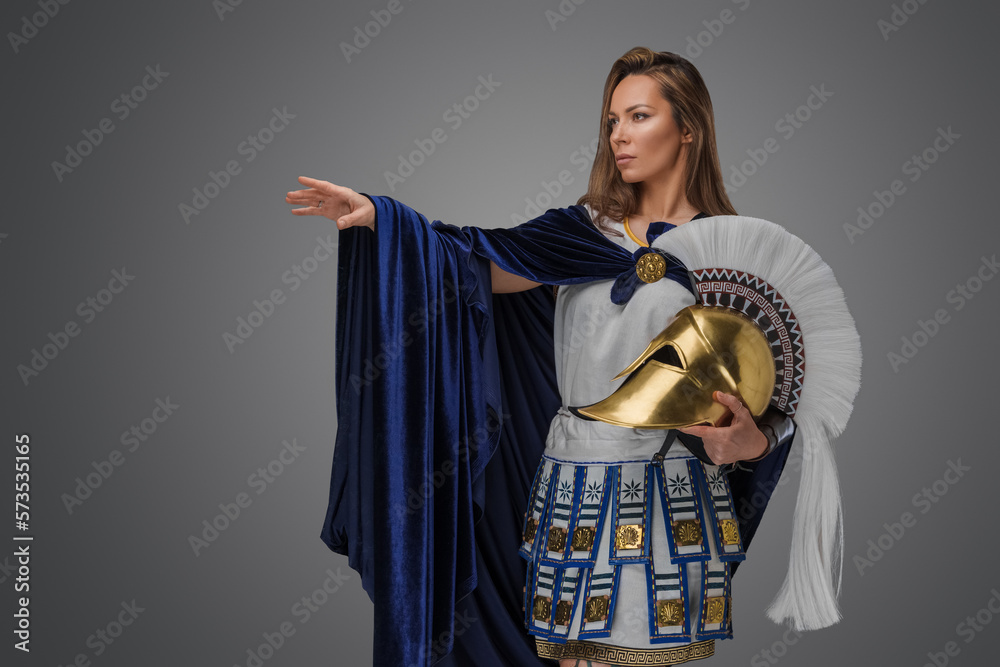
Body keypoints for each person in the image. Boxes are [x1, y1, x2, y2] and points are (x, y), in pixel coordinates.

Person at [287, 47, 854, 667]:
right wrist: (388, 225)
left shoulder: (733, 254)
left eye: (638, 116)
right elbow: (473, 261)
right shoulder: (580, 231)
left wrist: (752, 444)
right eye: (612, 121)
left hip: (666, 496)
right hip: (572, 489)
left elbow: (770, 406)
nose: (619, 136)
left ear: (687, 128)